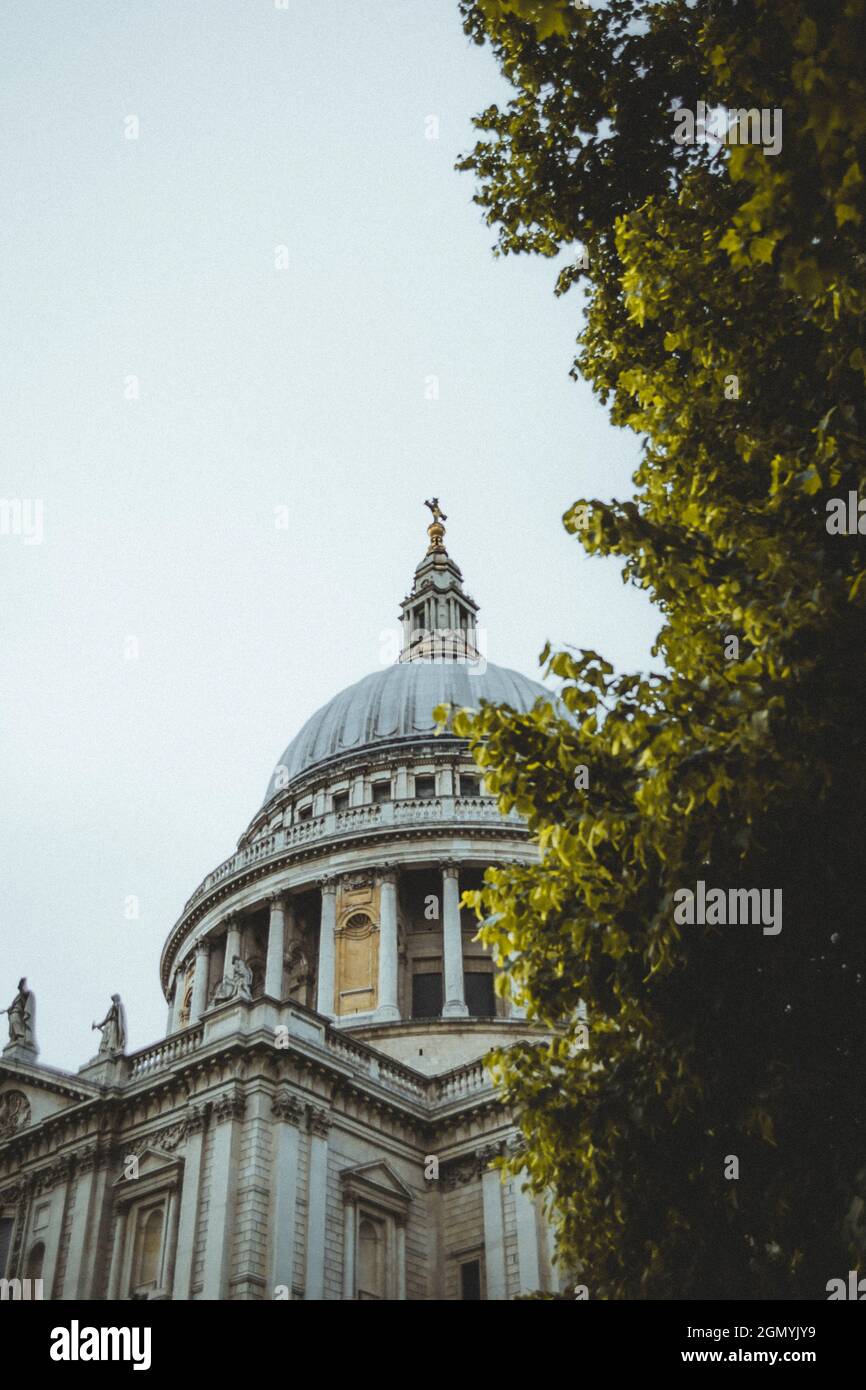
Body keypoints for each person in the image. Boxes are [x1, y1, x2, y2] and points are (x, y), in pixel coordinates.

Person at [2, 978, 36, 1047]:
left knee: (15, 1021)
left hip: (18, 1013)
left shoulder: (25, 994)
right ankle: (14, 1038)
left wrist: (22, 987)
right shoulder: (17, 997)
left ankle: (20, 1035)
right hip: (13, 1013)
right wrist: (8, 1009)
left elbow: (25, 997)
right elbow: (12, 1006)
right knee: (12, 1024)